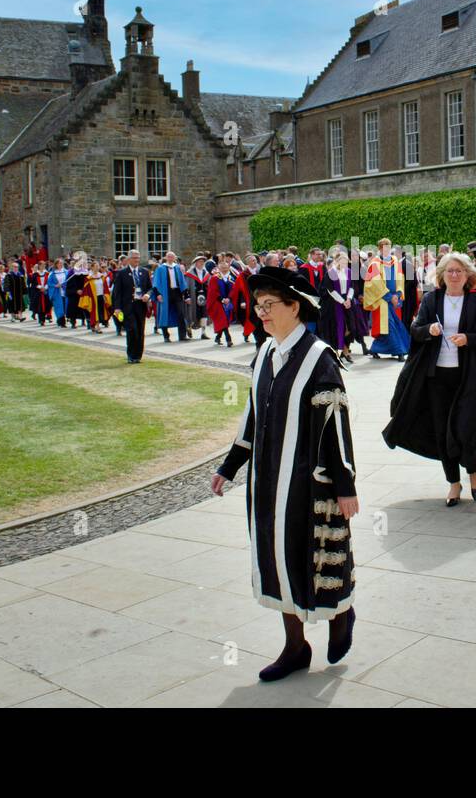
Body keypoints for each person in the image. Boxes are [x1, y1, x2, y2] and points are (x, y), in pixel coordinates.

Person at [211, 267, 359, 681]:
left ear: (295, 307)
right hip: (267, 483)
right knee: (276, 561)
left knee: (313, 559)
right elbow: (253, 416)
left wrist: (345, 486)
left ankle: (340, 615)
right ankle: (295, 647)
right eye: (257, 306)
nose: (261, 313)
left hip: (310, 482)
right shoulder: (264, 354)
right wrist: (230, 465)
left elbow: (336, 428)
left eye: (269, 305)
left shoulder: (319, 359)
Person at [384, 251, 476, 505]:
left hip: (469, 374)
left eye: (459, 271)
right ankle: (453, 483)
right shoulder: (431, 300)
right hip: (436, 375)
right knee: (441, 429)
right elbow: (415, 331)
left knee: (471, 425)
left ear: (468, 275)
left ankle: (474, 470)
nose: (455, 275)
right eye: (450, 271)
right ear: (442, 275)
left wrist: (468, 338)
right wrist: (430, 329)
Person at [363, 239, 410, 360]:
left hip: (395, 299)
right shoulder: (374, 263)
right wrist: (389, 296)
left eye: (389, 247)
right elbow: (374, 283)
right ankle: (399, 352)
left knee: (392, 324)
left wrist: (398, 294)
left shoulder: (395, 261)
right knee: (389, 325)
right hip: (382, 299)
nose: (387, 250)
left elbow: (400, 277)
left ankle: (375, 349)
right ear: (379, 249)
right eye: (384, 247)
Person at [319, 249, 368, 362]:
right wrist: (342, 301)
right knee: (337, 328)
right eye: (342, 262)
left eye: (346, 262)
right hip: (334, 304)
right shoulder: (331, 273)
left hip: (347, 303)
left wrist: (349, 299)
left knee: (350, 327)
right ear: (337, 261)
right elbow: (330, 290)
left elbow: (352, 286)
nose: (345, 264)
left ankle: (345, 349)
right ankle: (339, 352)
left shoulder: (349, 271)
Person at [112, 249, 153, 364]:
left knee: (140, 330)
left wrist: (147, 295)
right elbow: (117, 292)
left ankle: (138, 355)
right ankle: (131, 355)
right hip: (128, 306)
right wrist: (117, 307)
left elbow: (150, 288)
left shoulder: (144, 272)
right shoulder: (122, 273)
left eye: (138, 258)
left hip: (140, 306)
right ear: (129, 259)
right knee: (132, 330)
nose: (137, 260)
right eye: (135, 258)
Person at [152, 251, 188, 342]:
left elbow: (182, 282)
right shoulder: (160, 268)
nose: (171, 258)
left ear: (174, 258)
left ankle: (182, 335)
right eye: (169, 257)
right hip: (165, 293)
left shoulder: (177, 268)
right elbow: (155, 282)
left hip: (177, 293)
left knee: (181, 313)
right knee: (164, 314)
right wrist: (158, 294)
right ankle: (166, 336)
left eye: (172, 257)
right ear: (166, 257)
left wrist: (186, 295)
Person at [207, 256, 237, 347]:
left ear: (228, 267)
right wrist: (222, 299)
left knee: (225, 320)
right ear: (219, 268)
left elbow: (234, 290)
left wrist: (229, 298)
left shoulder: (232, 278)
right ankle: (229, 339)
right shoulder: (215, 278)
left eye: (225, 267)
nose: (224, 268)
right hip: (218, 302)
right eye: (222, 267)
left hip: (229, 301)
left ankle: (218, 337)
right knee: (223, 319)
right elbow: (213, 292)